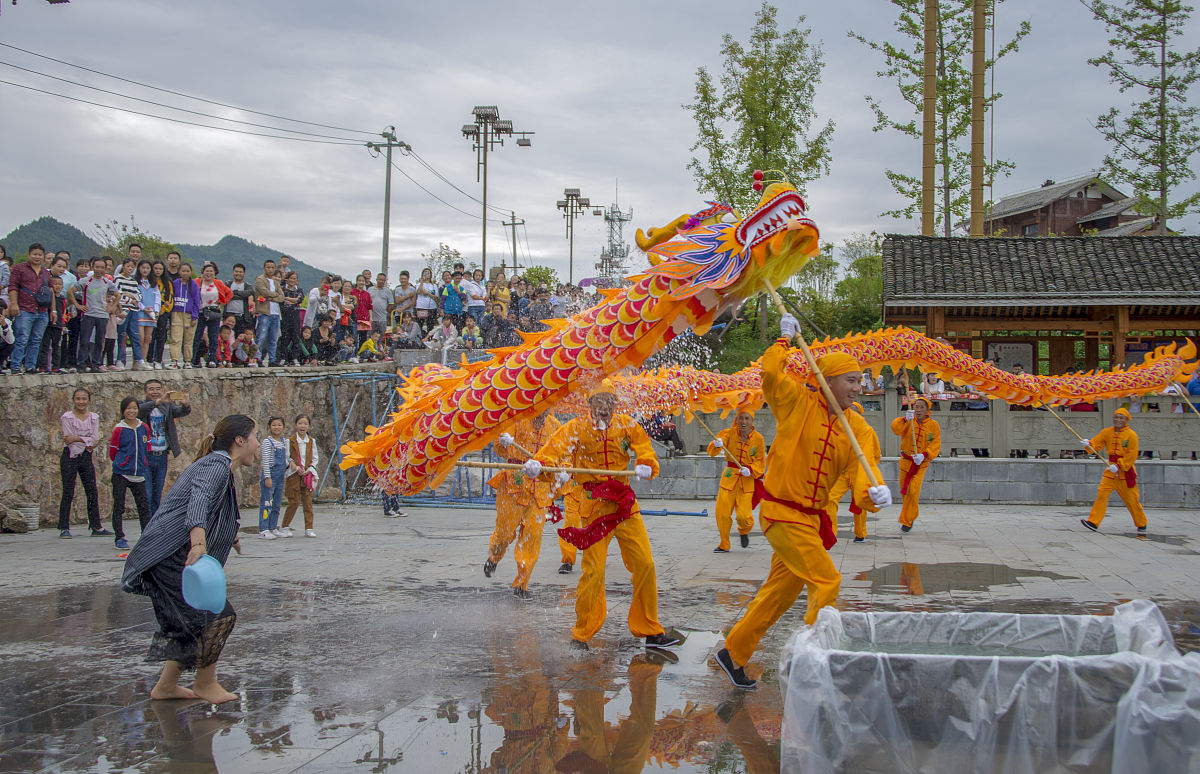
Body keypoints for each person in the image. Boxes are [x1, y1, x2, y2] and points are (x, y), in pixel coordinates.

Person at [714, 315, 891, 690]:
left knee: (778, 594)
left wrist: (873, 493)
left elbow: (866, 469)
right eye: (851, 380)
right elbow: (770, 375)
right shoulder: (797, 401)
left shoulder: (858, 428)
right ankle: (812, 661)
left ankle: (733, 652)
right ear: (828, 381)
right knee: (827, 579)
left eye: (860, 380)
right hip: (781, 513)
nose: (858, 387)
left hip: (811, 521)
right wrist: (783, 339)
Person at [527, 380, 682, 652]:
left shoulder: (627, 425)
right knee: (594, 572)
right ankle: (581, 634)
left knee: (645, 563)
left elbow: (645, 449)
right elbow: (552, 453)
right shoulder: (575, 428)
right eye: (599, 400)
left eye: (609, 400)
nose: (604, 406)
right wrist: (538, 465)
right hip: (595, 508)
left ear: (615, 403)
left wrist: (646, 463)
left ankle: (650, 630)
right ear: (589, 404)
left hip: (624, 506)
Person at [120, 414, 256, 705]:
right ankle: (205, 683)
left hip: (169, 554)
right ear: (240, 440)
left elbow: (212, 508)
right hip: (168, 554)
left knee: (191, 622)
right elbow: (200, 500)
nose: (257, 445)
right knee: (216, 615)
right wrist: (199, 543)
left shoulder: (219, 466)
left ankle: (166, 687)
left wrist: (228, 535)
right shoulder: (217, 465)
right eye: (255, 437)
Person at [485, 412, 562, 599]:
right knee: (504, 533)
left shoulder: (555, 426)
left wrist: (562, 470)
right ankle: (494, 557)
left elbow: (563, 453)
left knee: (532, 537)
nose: (543, 410)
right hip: (514, 485)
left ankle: (521, 584)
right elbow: (500, 447)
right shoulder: (517, 419)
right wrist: (502, 441)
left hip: (540, 489)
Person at [1080, 407, 1148, 533]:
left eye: (1121, 418)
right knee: (1102, 494)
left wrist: (1119, 465)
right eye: (1116, 417)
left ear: (1127, 420)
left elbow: (1132, 454)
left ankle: (1141, 522)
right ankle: (1093, 522)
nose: (1118, 420)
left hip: (1125, 471)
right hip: (1110, 470)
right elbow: (1096, 444)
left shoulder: (1132, 435)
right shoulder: (1107, 432)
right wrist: (1088, 444)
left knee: (1131, 500)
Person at [706, 409, 766, 553]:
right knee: (722, 514)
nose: (743, 422)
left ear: (752, 421)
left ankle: (744, 530)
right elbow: (713, 451)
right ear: (736, 420)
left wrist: (750, 470)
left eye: (747, 418)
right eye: (740, 418)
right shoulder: (728, 433)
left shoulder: (758, 439)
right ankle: (724, 544)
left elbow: (760, 461)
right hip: (729, 478)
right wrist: (716, 444)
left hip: (747, 481)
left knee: (743, 517)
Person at [826, 402, 882, 543]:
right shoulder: (837, 429)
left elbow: (876, 454)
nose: (850, 413)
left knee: (860, 502)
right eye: (848, 410)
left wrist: (866, 471)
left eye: (854, 411)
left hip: (859, 473)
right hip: (842, 473)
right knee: (830, 498)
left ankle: (860, 532)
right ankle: (830, 532)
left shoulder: (867, 431)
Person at [138, 380, 192, 519]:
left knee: (157, 494)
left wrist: (185, 404)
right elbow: (138, 410)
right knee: (147, 494)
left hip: (162, 455)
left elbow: (181, 412)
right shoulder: (142, 405)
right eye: (151, 389)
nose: (155, 392)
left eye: (158, 389)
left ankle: (155, 523)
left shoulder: (167, 406)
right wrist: (157, 402)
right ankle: (147, 524)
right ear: (145, 391)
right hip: (146, 455)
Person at [58, 387, 106, 538]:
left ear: (89, 401)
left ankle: (96, 526)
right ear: (73, 400)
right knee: (68, 491)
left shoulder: (93, 418)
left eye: (84, 399)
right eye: (78, 399)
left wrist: (78, 438)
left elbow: (94, 440)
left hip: (86, 456)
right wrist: (85, 440)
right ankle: (64, 527)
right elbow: (68, 439)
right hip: (70, 455)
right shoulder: (67, 417)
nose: (81, 402)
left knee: (91, 490)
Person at [890, 396, 941, 533]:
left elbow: (935, 443)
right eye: (916, 407)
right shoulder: (909, 421)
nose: (918, 410)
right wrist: (904, 419)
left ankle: (908, 519)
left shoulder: (933, 425)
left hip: (921, 464)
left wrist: (924, 454)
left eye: (921, 407)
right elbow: (896, 429)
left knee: (913, 490)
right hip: (906, 461)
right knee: (905, 491)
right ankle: (910, 515)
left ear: (928, 410)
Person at [108, 396, 152, 549]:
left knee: (143, 507)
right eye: (128, 408)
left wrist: (142, 463)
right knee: (119, 506)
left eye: (134, 408)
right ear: (123, 411)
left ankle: (146, 537)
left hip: (139, 474)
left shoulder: (144, 427)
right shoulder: (119, 429)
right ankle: (119, 537)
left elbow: (147, 447)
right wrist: (123, 462)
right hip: (121, 473)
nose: (131, 411)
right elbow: (113, 452)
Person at [6, 242, 51, 374]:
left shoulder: (45, 272)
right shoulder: (20, 268)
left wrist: (52, 310)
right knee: (22, 338)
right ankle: (15, 366)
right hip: (24, 308)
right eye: (35, 254)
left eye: (40, 255)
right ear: (29, 254)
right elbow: (13, 287)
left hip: (42, 310)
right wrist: (14, 303)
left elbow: (50, 291)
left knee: (36, 340)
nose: (37, 257)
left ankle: (30, 366)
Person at [281, 414, 319, 537]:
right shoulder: (290, 441)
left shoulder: (311, 441)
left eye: (305, 424)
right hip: (294, 475)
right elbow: (287, 457)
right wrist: (294, 466)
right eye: (300, 423)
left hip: (307, 475)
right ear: (296, 425)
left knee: (308, 502)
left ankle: (309, 528)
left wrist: (310, 469)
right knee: (294, 501)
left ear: (309, 426)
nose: (302, 426)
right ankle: (285, 526)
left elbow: (315, 458)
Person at [114, 253, 150, 371]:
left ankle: (139, 360)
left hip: (134, 311)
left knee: (135, 336)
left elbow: (139, 296)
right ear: (123, 266)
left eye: (132, 267)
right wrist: (130, 299)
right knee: (121, 335)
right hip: (123, 310)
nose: (130, 269)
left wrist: (130, 296)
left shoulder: (134, 281)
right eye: (128, 266)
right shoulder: (118, 279)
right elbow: (117, 295)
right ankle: (119, 360)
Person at [192, 264, 232, 368]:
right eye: (207, 271)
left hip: (214, 312)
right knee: (197, 336)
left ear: (215, 273)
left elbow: (229, 293)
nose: (209, 273)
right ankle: (194, 359)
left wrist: (223, 301)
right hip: (201, 312)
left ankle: (212, 359)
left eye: (211, 271)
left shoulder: (218, 283)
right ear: (202, 272)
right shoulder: (197, 282)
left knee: (214, 337)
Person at [258, 417, 289, 540]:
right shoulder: (267, 442)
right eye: (274, 425)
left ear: (283, 427)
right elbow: (265, 461)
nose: (277, 427)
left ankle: (273, 527)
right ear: (269, 427)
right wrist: (267, 477)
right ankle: (263, 529)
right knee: (267, 502)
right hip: (270, 474)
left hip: (280, 475)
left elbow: (287, 458)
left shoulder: (284, 441)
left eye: (279, 425)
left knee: (276, 503)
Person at [253, 259, 284, 366]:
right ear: (264, 268)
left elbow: (282, 297)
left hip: (276, 313)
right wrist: (275, 295)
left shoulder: (275, 282)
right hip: (264, 312)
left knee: (273, 339)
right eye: (268, 267)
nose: (270, 270)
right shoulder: (260, 280)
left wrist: (271, 298)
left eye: (272, 268)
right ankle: (257, 358)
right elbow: (264, 292)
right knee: (260, 337)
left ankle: (272, 359)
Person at [169, 263, 200, 369]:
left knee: (188, 339)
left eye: (187, 271)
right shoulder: (175, 283)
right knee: (175, 338)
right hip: (176, 313)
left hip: (189, 315)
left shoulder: (194, 284)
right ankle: (174, 360)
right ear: (179, 272)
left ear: (191, 272)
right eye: (183, 271)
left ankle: (187, 361)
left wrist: (194, 316)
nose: (185, 273)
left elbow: (197, 301)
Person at [368, 272, 393, 336]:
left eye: (383, 280)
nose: (381, 281)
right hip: (371, 319)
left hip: (382, 319)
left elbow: (391, 303)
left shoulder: (387, 291)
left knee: (382, 337)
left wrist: (385, 311)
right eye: (379, 279)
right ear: (376, 279)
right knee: (370, 336)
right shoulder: (370, 289)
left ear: (385, 281)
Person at [414, 267, 438, 333]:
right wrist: (422, 281)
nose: (427, 274)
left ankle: (429, 337)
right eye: (425, 273)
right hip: (421, 307)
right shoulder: (419, 284)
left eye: (428, 273)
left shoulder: (434, 285)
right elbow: (418, 291)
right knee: (419, 325)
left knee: (430, 326)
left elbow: (436, 297)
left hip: (431, 308)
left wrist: (427, 293)